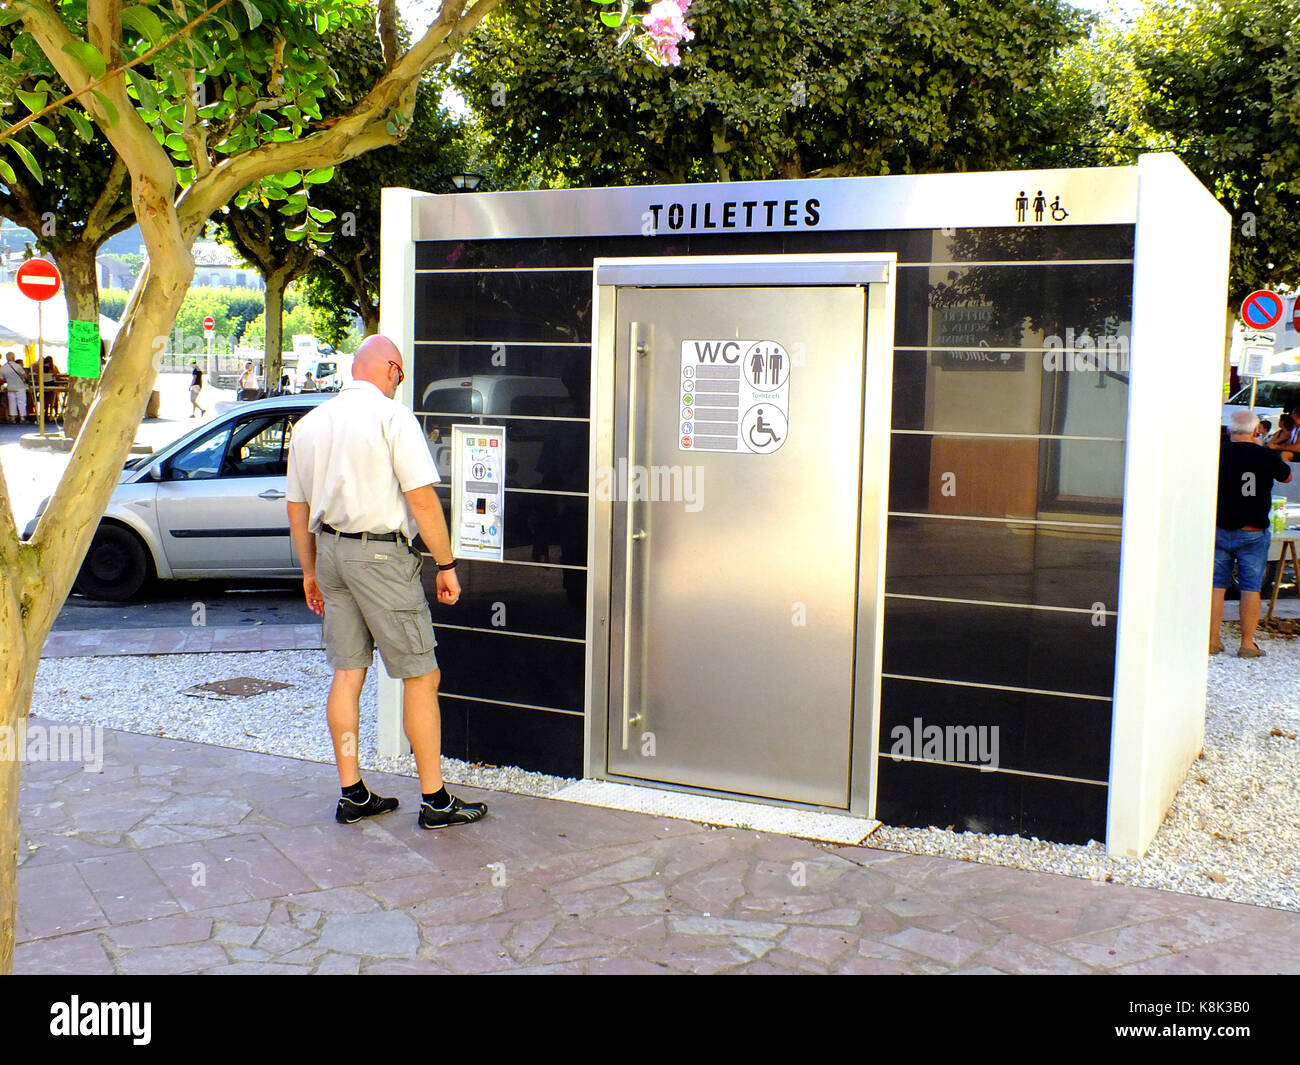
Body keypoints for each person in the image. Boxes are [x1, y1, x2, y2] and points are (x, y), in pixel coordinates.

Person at [286, 334, 487, 830]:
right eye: (400, 375)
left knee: (348, 673)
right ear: (393, 370)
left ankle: (353, 793)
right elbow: (421, 500)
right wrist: (446, 564)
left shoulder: (311, 424)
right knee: (422, 675)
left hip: (330, 552)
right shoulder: (393, 419)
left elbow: (297, 508)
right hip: (379, 556)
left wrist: (309, 571)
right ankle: (435, 801)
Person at [1210, 409, 1293, 658]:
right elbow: (1287, 477)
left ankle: (1212, 640)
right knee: (1250, 588)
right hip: (1254, 532)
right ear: (1257, 431)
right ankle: (1247, 643)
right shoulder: (1266, 455)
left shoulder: (1217, 453)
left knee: (1216, 585)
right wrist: (1261, 447)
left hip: (1221, 528)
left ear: (1228, 431)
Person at [1, 352, 28, 422]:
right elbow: (24, 376)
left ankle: (13, 417)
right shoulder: (18, 366)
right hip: (20, 387)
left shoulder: (3, 368)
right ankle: (22, 417)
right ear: (13, 358)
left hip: (10, 387)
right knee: (21, 402)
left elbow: (1, 379)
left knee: (12, 402)